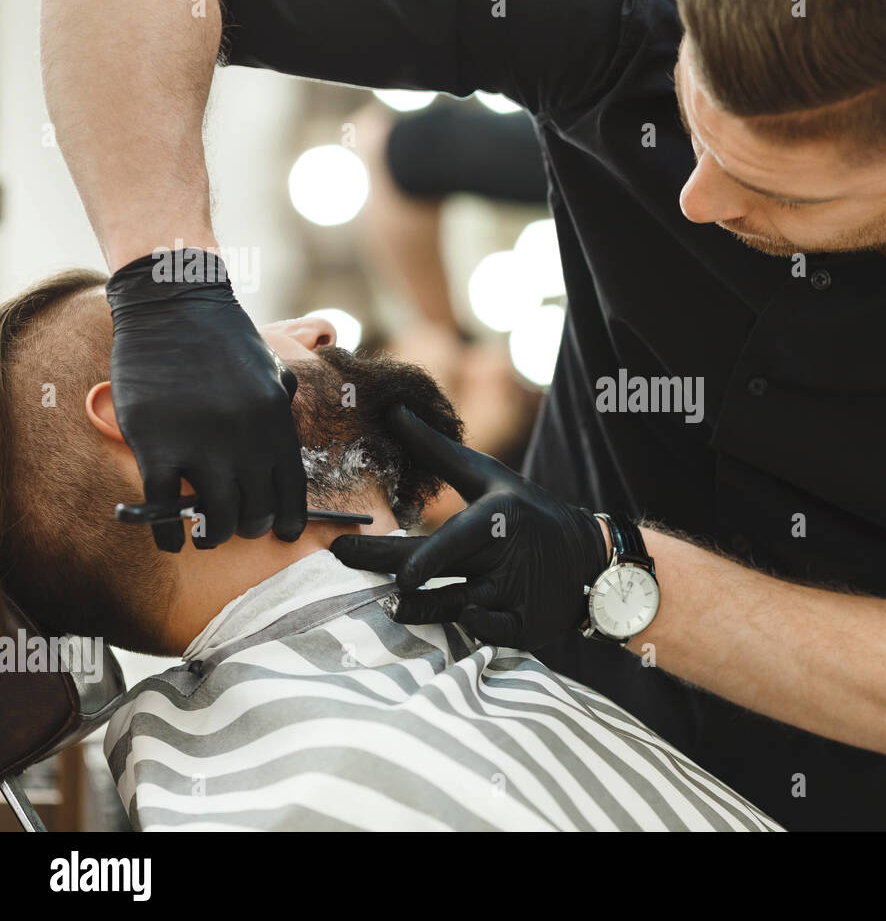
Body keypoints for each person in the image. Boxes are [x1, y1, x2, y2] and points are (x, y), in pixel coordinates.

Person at [41, 0, 886, 829]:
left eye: (773, 193)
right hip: (554, 703)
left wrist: (615, 578)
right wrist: (167, 274)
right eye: (693, 129)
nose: (695, 204)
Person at [0, 270, 780, 831]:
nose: (319, 331)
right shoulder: (319, 800)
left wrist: (603, 571)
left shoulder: (456, 645)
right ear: (148, 429)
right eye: (243, 321)